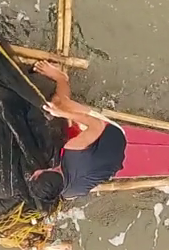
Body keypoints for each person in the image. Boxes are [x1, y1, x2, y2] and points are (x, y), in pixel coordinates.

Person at [32, 60, 127, 198]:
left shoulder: (70, 193)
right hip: (112, 136)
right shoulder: (73, 150)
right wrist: (61, 113)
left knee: (58, 112)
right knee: (62, 104)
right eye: (36, 175)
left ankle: (76, 127)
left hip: (111, 163)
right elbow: (96, 124)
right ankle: (61, 78)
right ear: (48, 171)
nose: (34, 173)